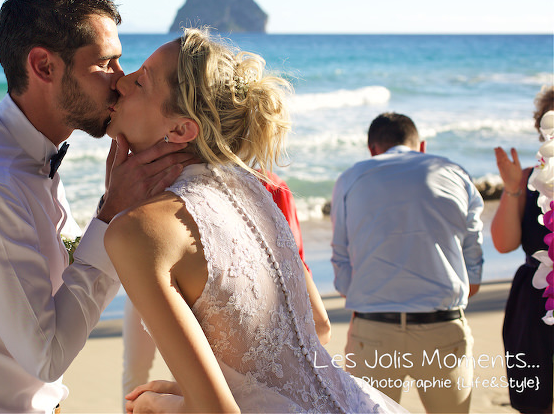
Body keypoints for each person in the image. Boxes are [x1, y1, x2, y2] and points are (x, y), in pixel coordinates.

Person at [0, 0, 192, 413]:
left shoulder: (25, 152)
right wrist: (114, 215)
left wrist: (110, 209)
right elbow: (46, 355)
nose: (120, 81)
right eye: (105, 64)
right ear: (44, 66)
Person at [105, 28, 403, 413]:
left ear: (180, 129)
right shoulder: (251, 187)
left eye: (141, 80)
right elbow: (317, 324)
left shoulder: (138, 230)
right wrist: (208, 387)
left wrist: (165, 406)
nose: (121, 81)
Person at [331, 112, 484, 413]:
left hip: (374, 331)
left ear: (372, 148)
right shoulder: (455, 173)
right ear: (421, 146)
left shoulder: (351, 177)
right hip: (442, 327)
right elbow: (474, 269)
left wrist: (369, 297)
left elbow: (341, 257)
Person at [119, 171, 314, 407]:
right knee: (150, 375)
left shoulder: (267, 187)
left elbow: (292, 257)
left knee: (164, 379)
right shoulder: (160, 173)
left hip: (195, 288)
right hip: (160, 280)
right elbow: (295, 263)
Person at [491, 85, 553, 414]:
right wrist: (513, 190)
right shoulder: (529, 179)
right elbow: (503, 243)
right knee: (534, 403)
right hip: (532, 299)